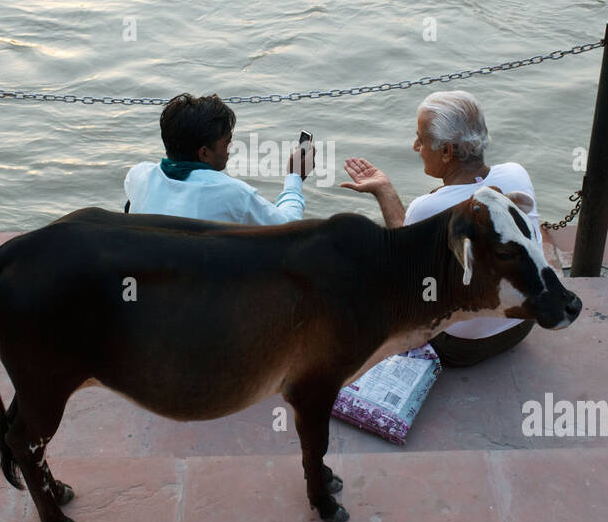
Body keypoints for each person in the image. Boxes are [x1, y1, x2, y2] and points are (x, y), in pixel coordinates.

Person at [340, 89, 541, 367]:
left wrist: (383, 190)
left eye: (421, 140)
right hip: (520, 326)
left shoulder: (428, 207)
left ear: (446, 151)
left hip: (460, 347)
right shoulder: (516, 173)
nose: (415, 146)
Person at [124, 93, 311, 223]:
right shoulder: (235, 195)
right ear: (204, 153)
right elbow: (288, 227)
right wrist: (294, 178)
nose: (231, 147)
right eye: (227, 142)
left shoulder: (138, 176)